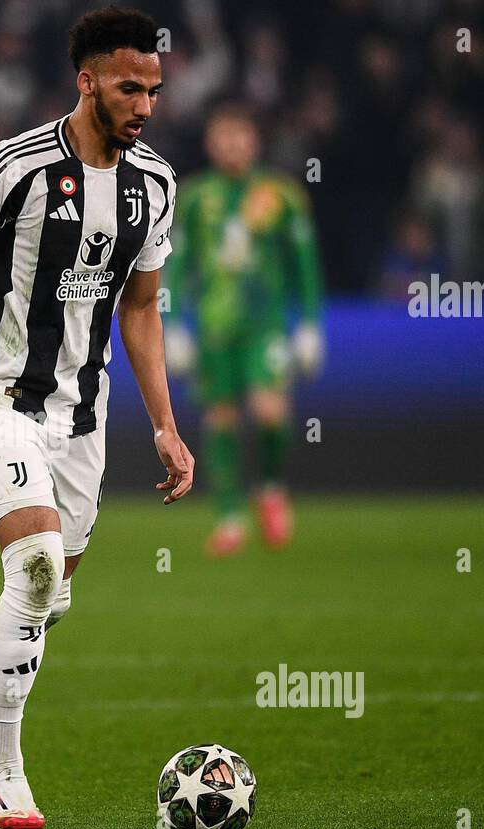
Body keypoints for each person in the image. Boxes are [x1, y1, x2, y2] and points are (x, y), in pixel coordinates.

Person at [0, 5, 193, 829]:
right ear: (86, 82)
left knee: (42, 601)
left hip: (82, 418)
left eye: (155, 90)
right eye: (130, 87)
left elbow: (143, 309)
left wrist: (164, 424)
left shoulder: (153, 185)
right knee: (40, 568)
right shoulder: (11, 167)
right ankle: (6, 772)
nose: (146, 105)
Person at [165, 105, 324, 556]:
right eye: (223, 137)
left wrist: (310, 325)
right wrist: (174, 325)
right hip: (215, 328)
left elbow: (306, 265)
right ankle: (230, 517)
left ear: (255, 141)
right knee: (221, 418)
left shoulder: (281, 195)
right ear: (210, 143)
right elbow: (178, 265)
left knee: (270, 411)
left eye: (240, 136)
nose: (232, 146)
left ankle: (270, 488)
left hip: (265, 326)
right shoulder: (195, 197)